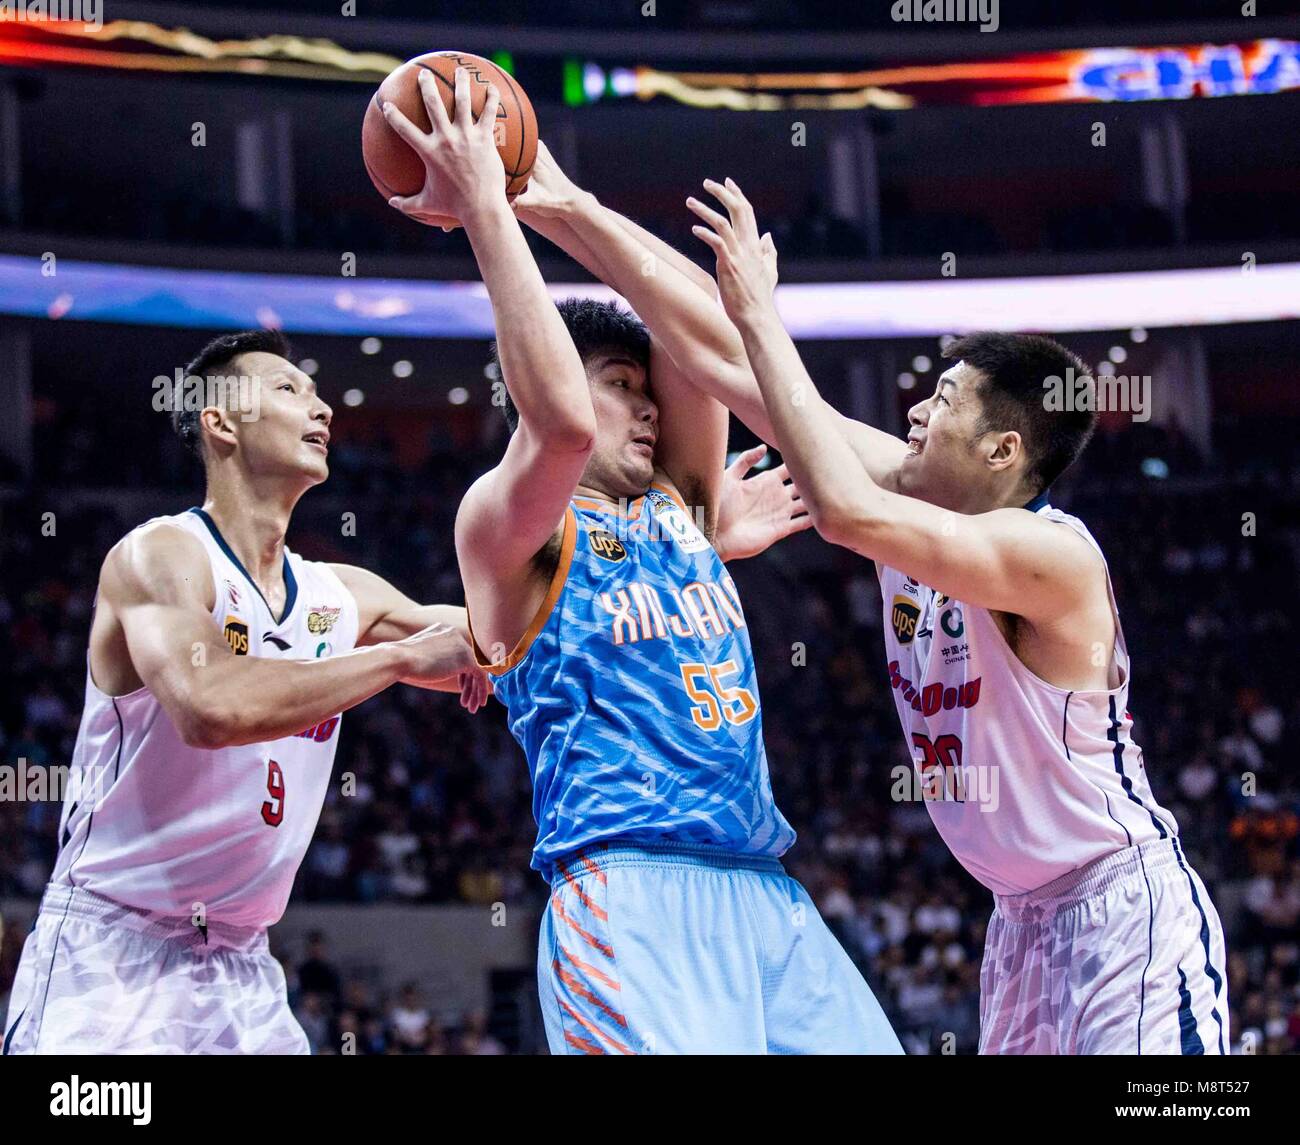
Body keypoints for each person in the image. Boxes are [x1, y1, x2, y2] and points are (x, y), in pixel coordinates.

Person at [381, 68, 901, 1054]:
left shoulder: (679, 506)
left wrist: (558, 197)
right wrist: (492, 209)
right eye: (622, 384)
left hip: (765, 891)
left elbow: (693, 342)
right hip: (626, 899)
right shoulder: (506, 525)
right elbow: (562, 422)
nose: (648, 402)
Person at [684, 177, 1229, 1054]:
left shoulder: (1053, 555)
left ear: (1002, 450)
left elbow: (840, 509)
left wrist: (760, 314)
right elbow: (730, 370)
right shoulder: (908, 498)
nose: (912, 412)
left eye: (938, 402)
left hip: (1129, 916)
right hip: (1019, 929)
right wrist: (551, 203)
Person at [3, 328, 487, 1055]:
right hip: (110, 957)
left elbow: (495, 641)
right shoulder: (160, 556)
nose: (321, 408)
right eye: (290, 390)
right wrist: (394, 660)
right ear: (220, 421)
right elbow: (212, 706)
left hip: (242, 966)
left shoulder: (339, 593)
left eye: (320, 394)